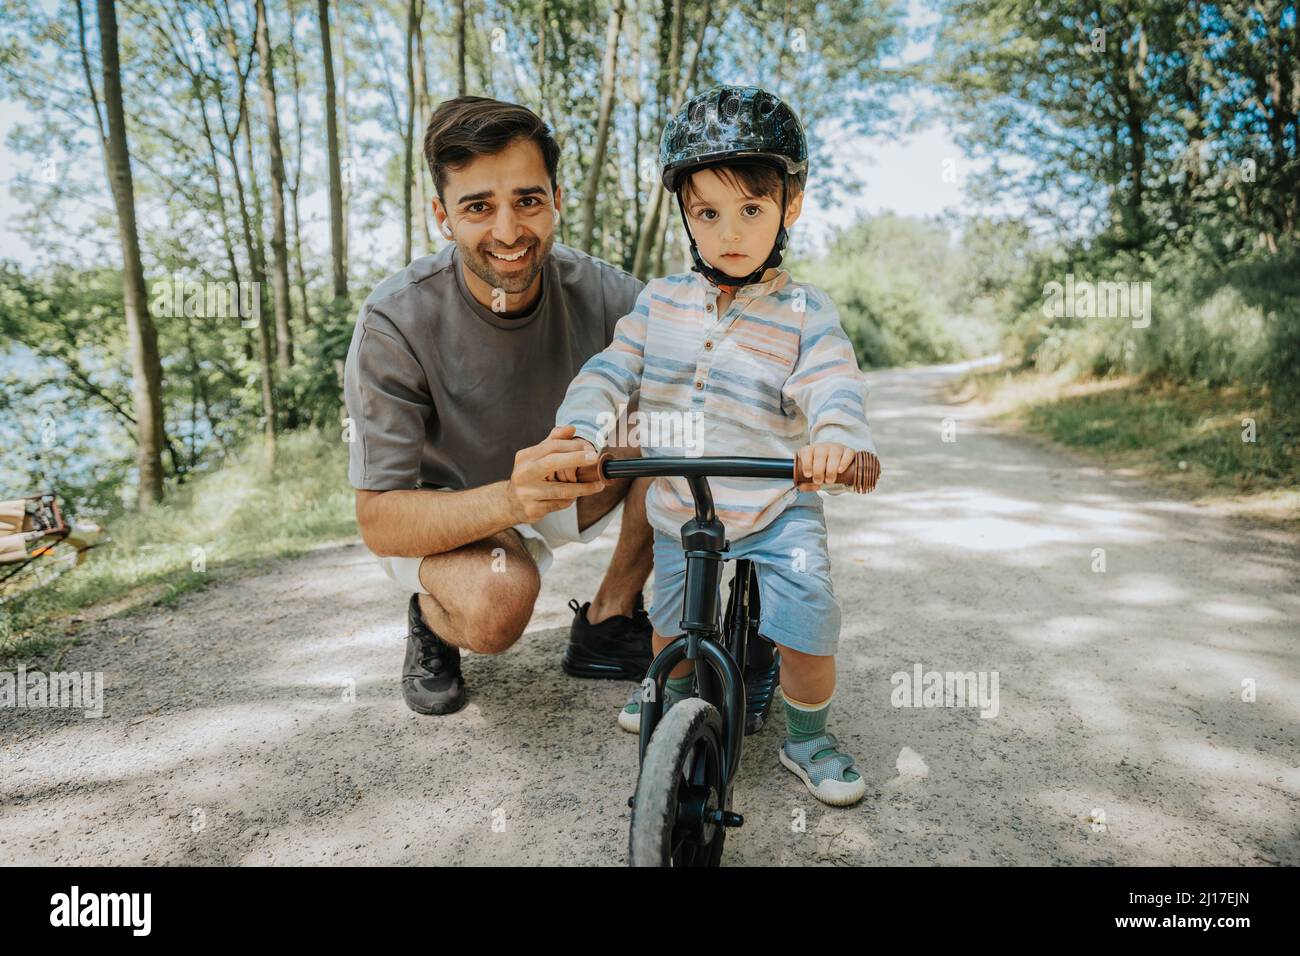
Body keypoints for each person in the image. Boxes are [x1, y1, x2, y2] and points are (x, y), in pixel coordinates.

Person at [552, 86, 882, 807]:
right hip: (682, 500)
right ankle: (668, 690)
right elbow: (610, 370)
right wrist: (579, 430)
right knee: (671, 628)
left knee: (807, 621)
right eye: (707, 212)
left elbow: (834, 386)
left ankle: (809, 737)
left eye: (751, 210)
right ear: (685, 214)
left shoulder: (805, 312)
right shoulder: (660, 302)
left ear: (790, 208)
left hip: (775, 501)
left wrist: (835, 439)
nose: (728, 232)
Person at [344, 96, 658, 717]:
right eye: (479, 207)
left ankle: (610, 618)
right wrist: (512, 501)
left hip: (564, 487)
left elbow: (710, 366)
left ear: (556, 198)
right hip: (449, 517)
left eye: (528, 200)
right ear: (443, 216)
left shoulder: (611, 294)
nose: (509, 231)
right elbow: (378, 519)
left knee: (679, 424)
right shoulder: (393, 323)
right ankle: (436, 615)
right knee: (498, 606)